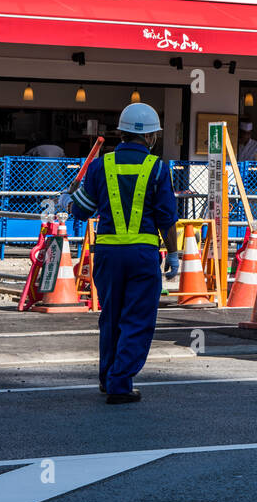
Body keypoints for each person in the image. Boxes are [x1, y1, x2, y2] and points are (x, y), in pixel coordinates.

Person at [60, 103, 177, 404]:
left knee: (110, 317)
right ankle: (120, 383)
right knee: (137, 319)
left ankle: (107, 376)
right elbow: (166, 219)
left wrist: (69, 199)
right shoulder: (158, 168)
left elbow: (82, 210)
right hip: (142, 254)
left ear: (122, 132)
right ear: (151, 136)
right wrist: (174, 254)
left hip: (108, 254)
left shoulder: (101, 165)